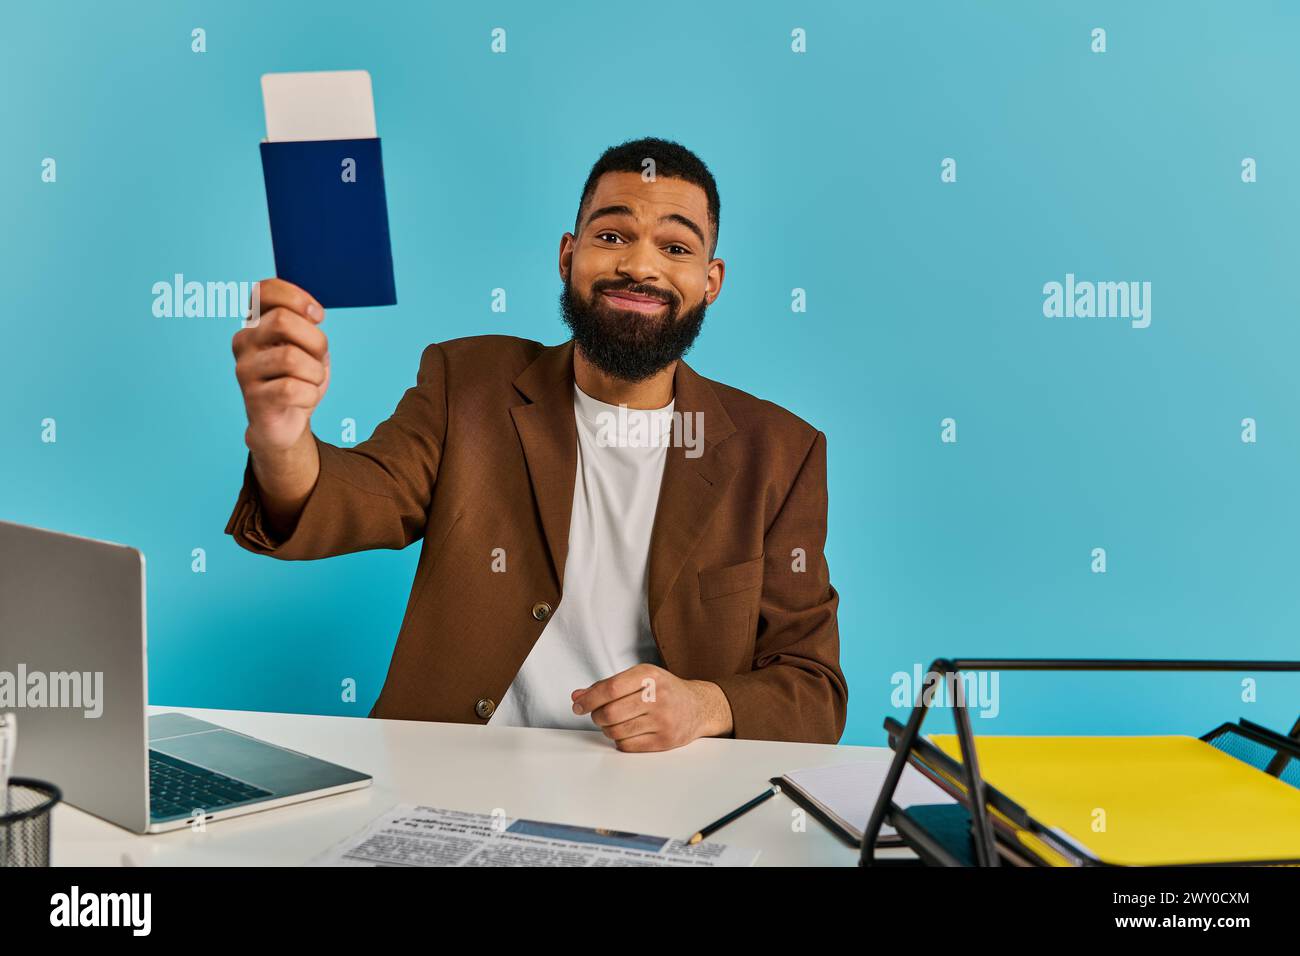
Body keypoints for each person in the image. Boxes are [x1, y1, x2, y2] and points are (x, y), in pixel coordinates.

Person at [227, 137, 846, 751]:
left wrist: (702, 705)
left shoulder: (780, 453)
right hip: (453, 775)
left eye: (676, 246)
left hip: (659, 794)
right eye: (611, 236)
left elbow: (814, 689)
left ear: (711, 280)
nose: (640, 266)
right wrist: (281, 438)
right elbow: (353, 499)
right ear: (566, 256)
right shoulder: (468, 384)